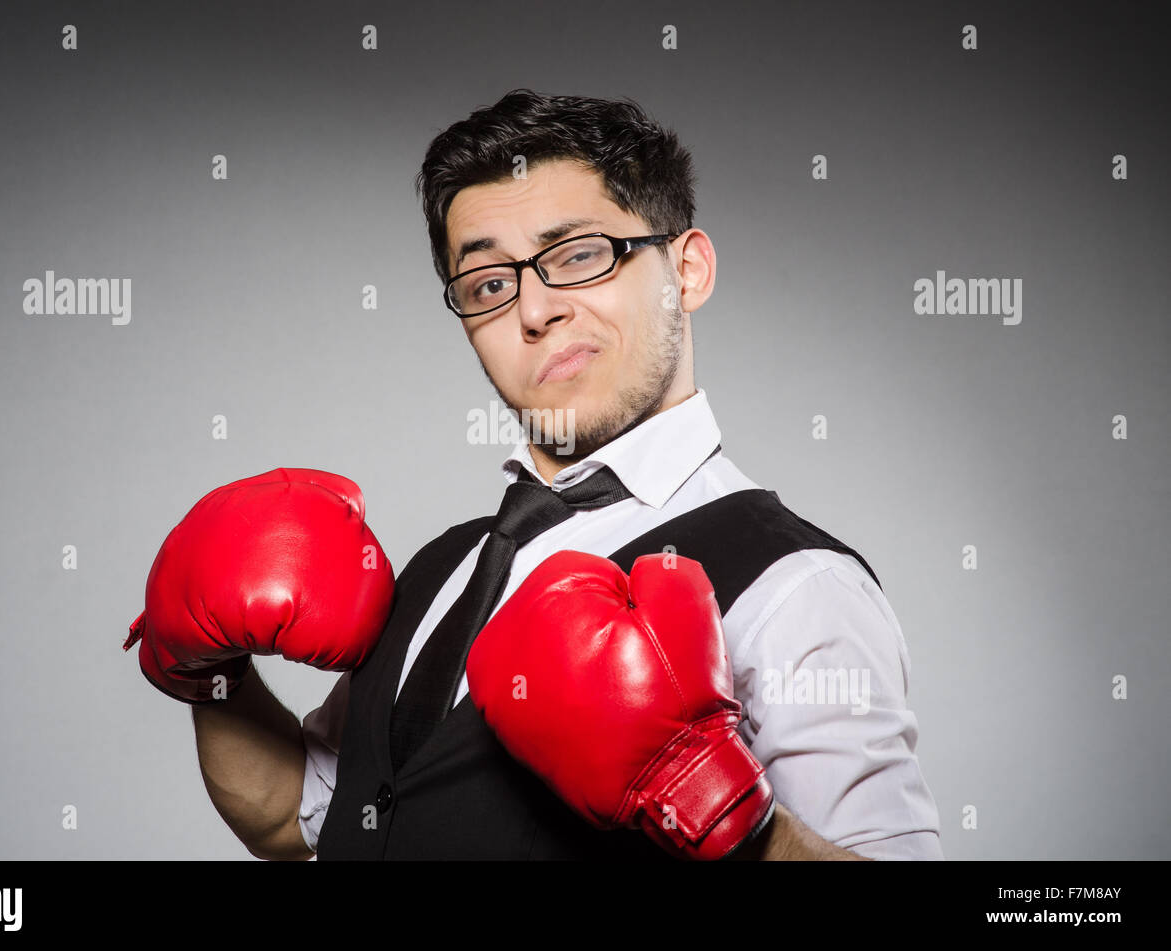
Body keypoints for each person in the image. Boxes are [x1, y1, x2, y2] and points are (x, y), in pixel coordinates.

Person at [185, 89, 943, 861]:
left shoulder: (795, 587)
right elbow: (295, 815)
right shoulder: (445, 566)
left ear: (688, 270)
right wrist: (210, 671)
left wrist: (724, 813)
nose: (535, 309)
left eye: (579, 255)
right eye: (488, 283)